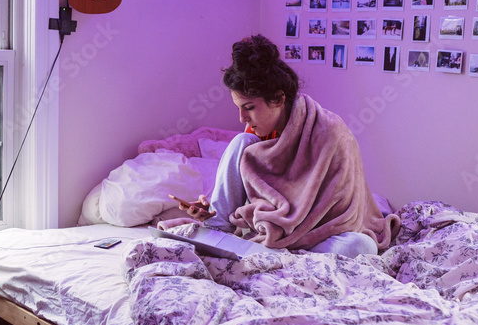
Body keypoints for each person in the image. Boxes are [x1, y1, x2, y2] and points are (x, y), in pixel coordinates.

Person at [165, 34, 398, 256]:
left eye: (249, 107)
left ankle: (272, 251)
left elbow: (345, 212)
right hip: (273, 231)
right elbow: (257, 199)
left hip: (321, 234)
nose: (242, 118)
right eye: (238, 108)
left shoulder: (331, 132)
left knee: (361, 245)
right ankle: (220, 232)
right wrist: (211, 212)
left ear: (278, 98)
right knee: (241, 141)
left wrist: (292, 227)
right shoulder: (251, 139)